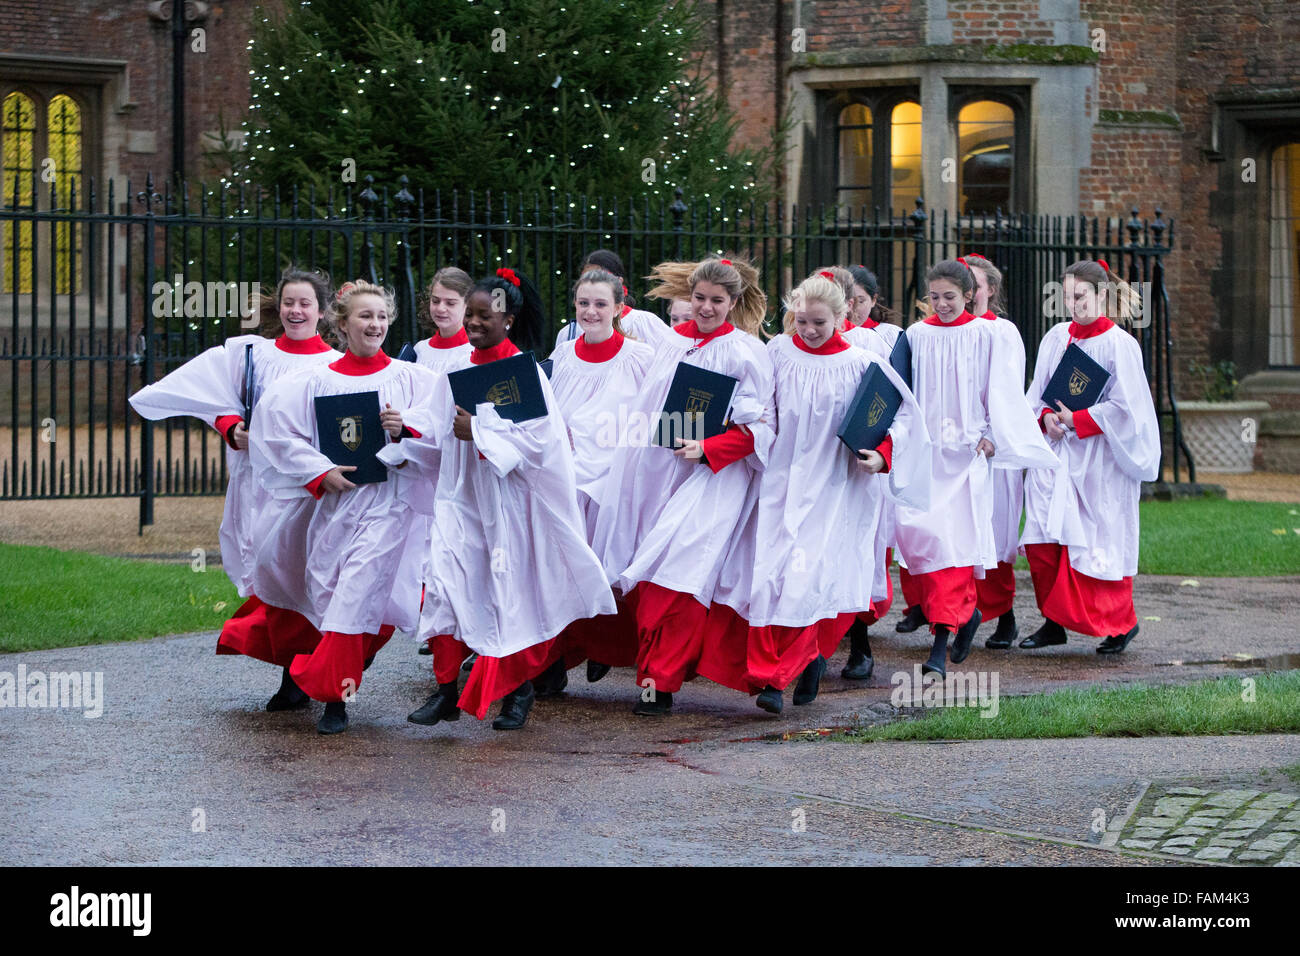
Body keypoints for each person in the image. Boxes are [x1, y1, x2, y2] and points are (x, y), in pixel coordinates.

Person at [397, 269, 616, 730]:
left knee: (504, 596)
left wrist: (476, 430)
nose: (474, 323)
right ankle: (444, 690)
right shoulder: (456, 369)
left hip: (507, 505)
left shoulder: (525, 372)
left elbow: (540, 444)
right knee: (444, 585)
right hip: (460, 497)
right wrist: (405, 433)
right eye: (470, 314)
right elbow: (437, 428)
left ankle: (518, 692)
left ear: (508, 320)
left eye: (484, 315)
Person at [702, 275, 929, 713]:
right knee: (771, 577)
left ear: (842, 318)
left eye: (818, 323)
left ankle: (791, 668)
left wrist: (883, 454)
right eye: (801, 320)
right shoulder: (777, 353)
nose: (807, 330)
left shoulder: (864, 363)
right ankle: (775, 672)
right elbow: (760, 410)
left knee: (814, 579)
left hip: (837, 486)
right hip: (782, 483)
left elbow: (902, 419)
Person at [129, 267, 341, 711]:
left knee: (304, 571)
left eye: (305, 303)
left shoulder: (333, 367)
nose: (295, 310)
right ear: (278, 307)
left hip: (307, 489)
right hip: (256, 485)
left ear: (322, 312)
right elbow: (213, 396)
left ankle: (299, 675)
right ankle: (298, 667)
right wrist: (231, 426)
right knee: (269, 569)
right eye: (289, 302)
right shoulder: (249, 353)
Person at [236, 279, 439, 734]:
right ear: (342, 323)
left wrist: (407, 427)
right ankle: (334, 671)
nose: (376, 324)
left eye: (382, 316)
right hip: (334, 508)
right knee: (332, 597)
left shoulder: (414, 380)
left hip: (388, 506)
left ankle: (335, 698)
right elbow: (273, 432)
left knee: (355, 597)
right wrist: (316, 471)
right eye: (365, 316)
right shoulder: (313, 381)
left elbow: (443, 431)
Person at [589, 255, 774, 716]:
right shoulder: (671, 343)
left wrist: (711, 447)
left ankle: (659, 685)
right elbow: (649, 408)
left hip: (713, 481)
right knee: (649, 578)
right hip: (659, 473)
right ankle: (647, 673)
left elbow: (764, 428)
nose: (705, 308)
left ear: (733, 302)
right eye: (698, 298)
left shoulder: (746, 352)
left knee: (680, 580)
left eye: (716, 300)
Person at [892, 260, 1057, 678]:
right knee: (920, 539)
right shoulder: (916, 335)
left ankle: (942, 640)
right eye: (934, 297)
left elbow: (1000, 391)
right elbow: (902, 391)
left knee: (956, 545)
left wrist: (992, 434)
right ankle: (963, 616)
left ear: (969, 295)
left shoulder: (987, 334)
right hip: (927, 455)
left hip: (966, 456)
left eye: (950, 296)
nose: (942, 304)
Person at [1019, 259, 1159, 653]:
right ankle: (1053, 620)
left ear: (1102, 295)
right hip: (1058, 451)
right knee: (1045, 535)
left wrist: (1079, 419)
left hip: (1099, 457)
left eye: (1080, 296)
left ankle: (1120, 624)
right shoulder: (1056, 337)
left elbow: (1128, 408)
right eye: (1067, 297)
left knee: (1099, 540)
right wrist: (1046, 417)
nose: (1072, 304)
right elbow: (1038, 391)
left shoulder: (1120, 344)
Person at [548, 269, 656, 684]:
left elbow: (659, 417)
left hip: (616, 480)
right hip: (567, 478)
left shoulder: (641, 357)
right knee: (560, 571)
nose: (590, 312)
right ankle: (554, 658)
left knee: (608, 572)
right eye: (583, 304)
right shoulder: (561, 356)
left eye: (600, 304)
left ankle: (611, 649)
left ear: (619, 308)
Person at [962, 254, 1027, 650]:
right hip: (957, 447)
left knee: (994, 531)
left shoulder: (1003, 332)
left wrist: (992, 434)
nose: (969, 294)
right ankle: (955, 614)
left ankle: (1004, 615)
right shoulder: (944, 332)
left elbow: (1007, 392)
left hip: (993, 450)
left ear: (990, 290)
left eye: (975, 286)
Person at [553, 249, 674, 349]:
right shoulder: (568, 334)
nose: (593, 285)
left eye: (601, 279)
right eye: (586, 279)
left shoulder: (645, 323)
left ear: (619, 282)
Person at [413, 266, 474, 374]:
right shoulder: (420, 350)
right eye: (435, 301)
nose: (440, 309)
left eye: (450, 303)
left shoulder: (474, 352)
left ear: (467, 304)